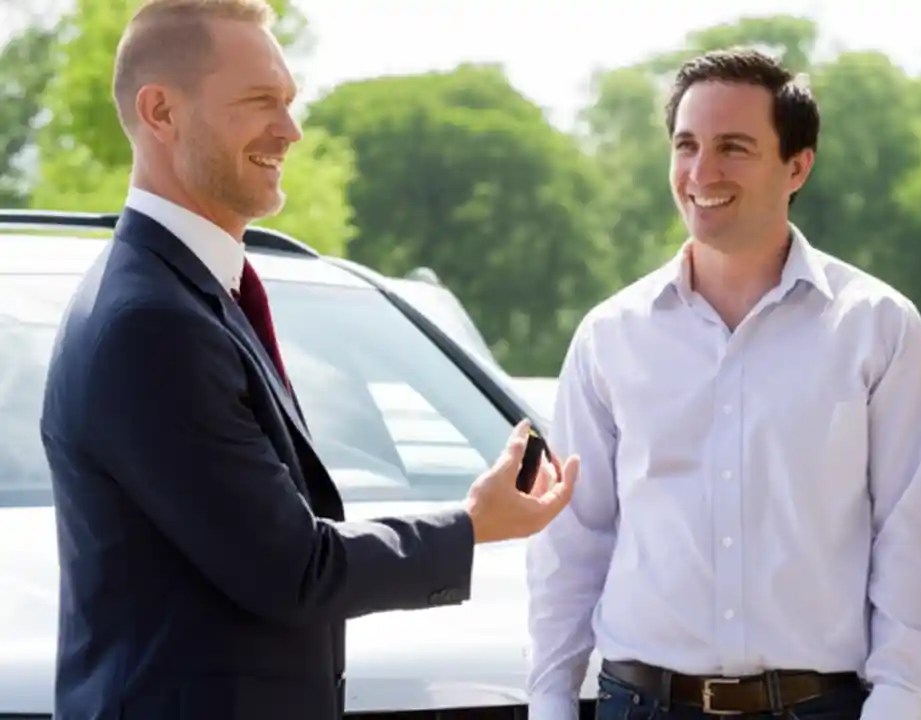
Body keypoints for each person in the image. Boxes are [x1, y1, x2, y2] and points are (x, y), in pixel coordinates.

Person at [38, 1, 577, 718]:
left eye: (290, 103)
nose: (290, 131)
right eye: (260, 102)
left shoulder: (182, 293)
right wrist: (473, 523)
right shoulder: (151, 322)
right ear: (161, 112)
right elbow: (293, 570)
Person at [526, 47, 921, 720]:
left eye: (734, 148)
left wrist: (898, 700)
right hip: (639, 705)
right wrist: (549, 700)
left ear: (797, 166)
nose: (702, 172)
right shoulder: (610, 335)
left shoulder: (878, 328)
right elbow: (573, 542)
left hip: (822, 708)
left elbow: (910, 538)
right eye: (687, 145)